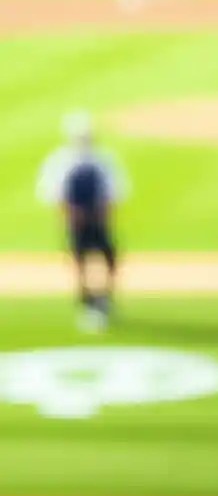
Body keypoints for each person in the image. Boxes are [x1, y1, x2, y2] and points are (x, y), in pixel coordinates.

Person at [36, 111, 128, 332]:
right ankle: (85, 295)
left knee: (109, 257)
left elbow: (113, 191)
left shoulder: (102, 159)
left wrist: (103, 215)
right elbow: (55, 194)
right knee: (80, 259)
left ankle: (104, 295)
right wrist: (70, 216)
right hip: (77, 222)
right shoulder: (62, 161)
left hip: (98, 220)